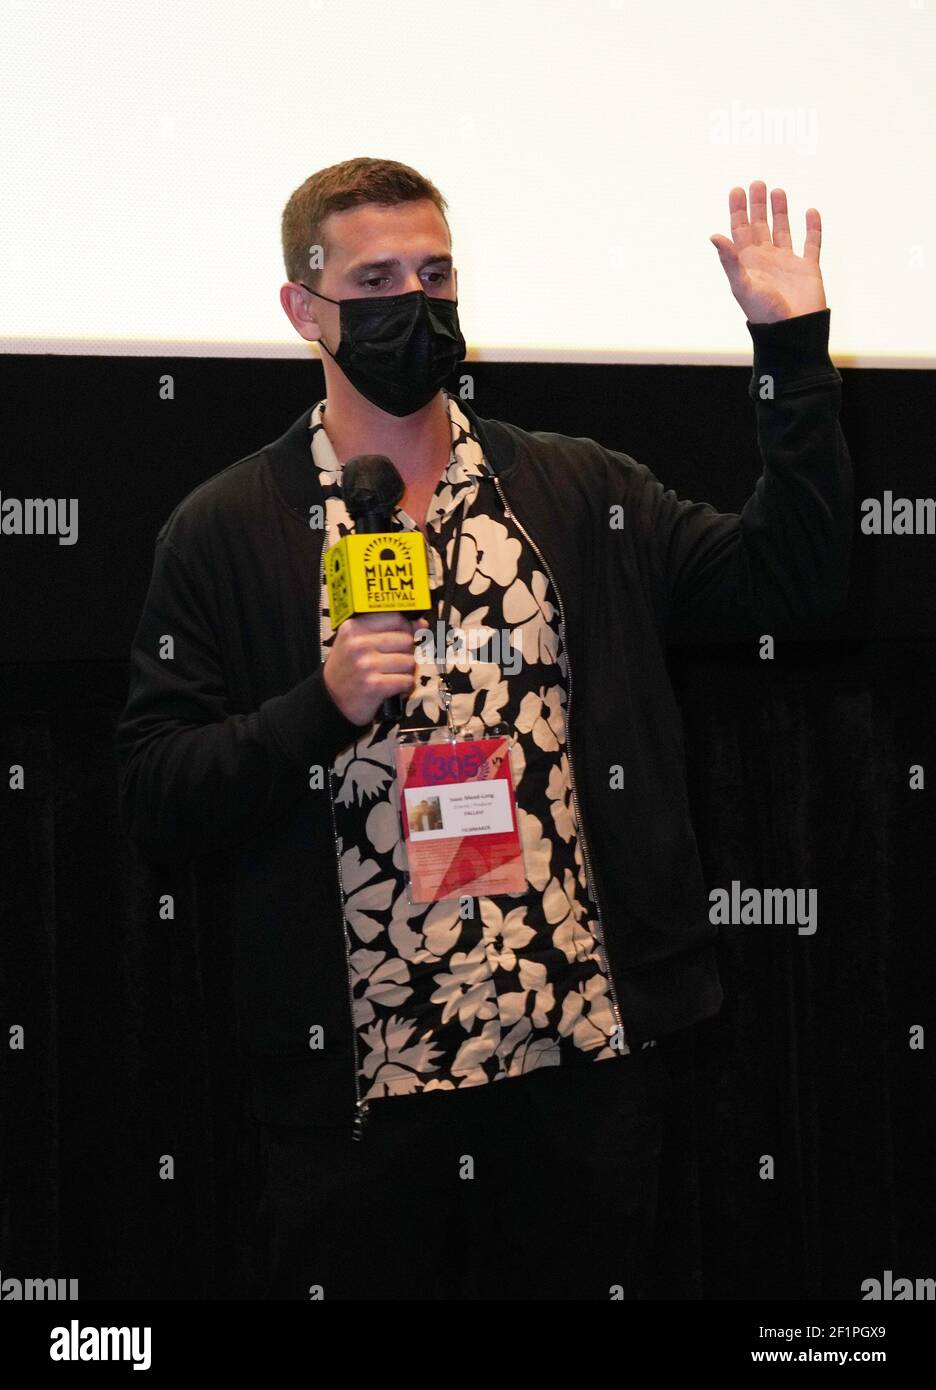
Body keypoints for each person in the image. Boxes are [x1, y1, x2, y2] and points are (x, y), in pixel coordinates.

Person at [115, 156, 853, 1300]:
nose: (416, 303)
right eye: (377, 279)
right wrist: (320, 707)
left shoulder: (571, 489)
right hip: (360, 1099)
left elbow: (791, 584)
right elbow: (156, 791)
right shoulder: (226, 529)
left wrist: (792, 359)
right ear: (305, 310)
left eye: (437, 272)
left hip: (574, 1074)